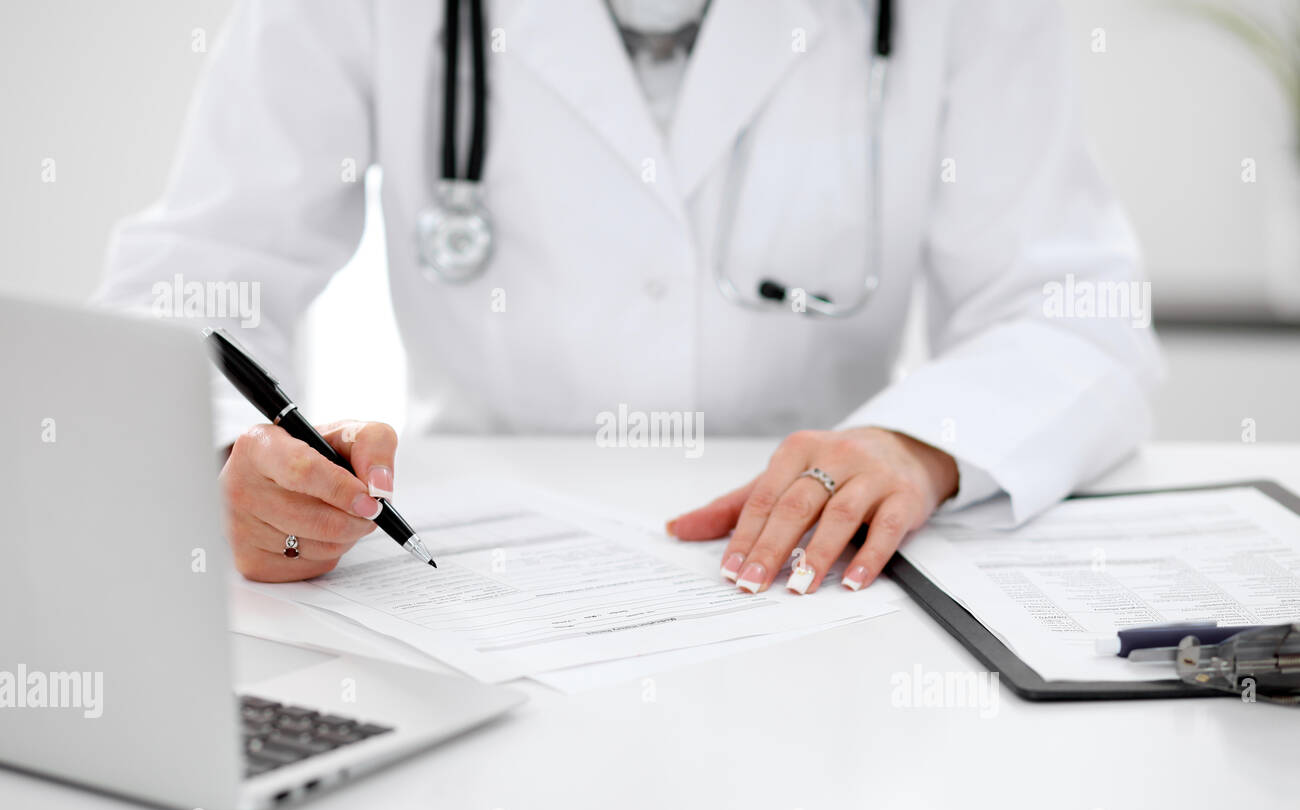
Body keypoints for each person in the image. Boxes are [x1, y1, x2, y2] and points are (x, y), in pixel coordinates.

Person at [95, 0, 1160, 593]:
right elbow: (193, 281)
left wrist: (917, 443)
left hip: (823, 584)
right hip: (467, 579)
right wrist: (237, 459)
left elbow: (1071, 307)